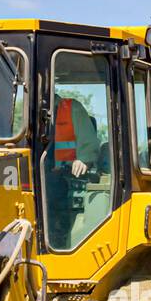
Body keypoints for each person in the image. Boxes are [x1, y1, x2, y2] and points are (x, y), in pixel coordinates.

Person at [44, 93, 100, 248]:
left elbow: (89, 144)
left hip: (65, 177)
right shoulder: (28, 111)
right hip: (39, 176)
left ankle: (60, 240)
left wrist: (84, 160)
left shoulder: (72, 108)